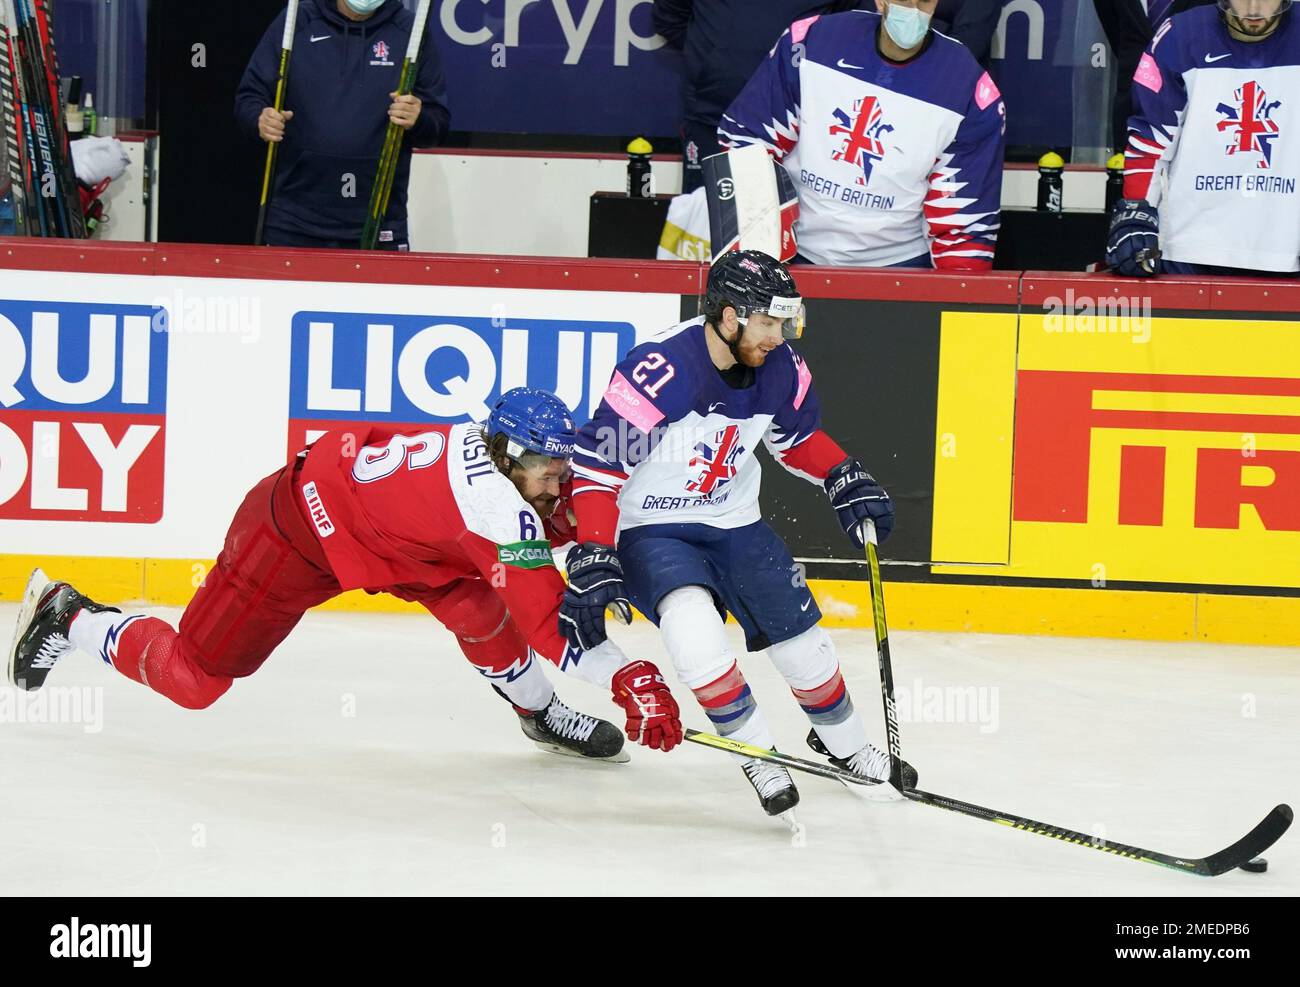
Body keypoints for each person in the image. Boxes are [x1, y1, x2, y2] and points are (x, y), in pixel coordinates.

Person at [9, 389, 683, 761]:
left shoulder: (495, 469)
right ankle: (72, 616)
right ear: (506, 454)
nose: (558, 480)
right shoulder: (494, 506)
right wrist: (631, 674)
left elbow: (543, 535)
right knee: (195, 679)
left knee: (479, 606)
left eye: (563, 467)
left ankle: (540, 714)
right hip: (295, 539)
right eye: (548, 468)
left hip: (402, 544)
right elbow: (548, 623)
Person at [562, 251, 916, 819]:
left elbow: (796, 439)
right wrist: (596, 549)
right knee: (693, 629)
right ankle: (758, 754)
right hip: (653, 530)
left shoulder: (781, 367)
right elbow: (600, 471)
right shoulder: (660, 371)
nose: (780, 336)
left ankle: (847, 749)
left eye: (784, 323)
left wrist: (842, 474)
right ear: (729, 317)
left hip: (734, 521)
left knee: (804, 646)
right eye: (768, 323)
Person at [718, 1, 1005, 269]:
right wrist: (755, 263)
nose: (915, 11)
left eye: (925, 1)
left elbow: (965, 224)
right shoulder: (810, 41)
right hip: (794, 254)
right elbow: (746, 146)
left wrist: (951, 298)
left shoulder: (969, 88)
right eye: (905, 0)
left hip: (901, 266)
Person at [235, 0, 450, 249]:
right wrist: (260, 119)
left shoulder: (411, 32)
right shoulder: (297, 20)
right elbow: (249, 97)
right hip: (294, 223)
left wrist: (419, 118)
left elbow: (438, 124)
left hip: (378, 223)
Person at [1107, 0, 1300, 277]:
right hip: (1189, 246)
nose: (1254, 9)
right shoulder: (1179, 34)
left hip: (1285, 246)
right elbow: (1150, 140)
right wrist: (1137, 211)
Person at [653, 1, 862, 193]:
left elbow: (856, 28)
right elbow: (670, 19)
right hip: (712, 119)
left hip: (799, 130)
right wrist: (713, 60)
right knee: (706, 224)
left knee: (794, 228)